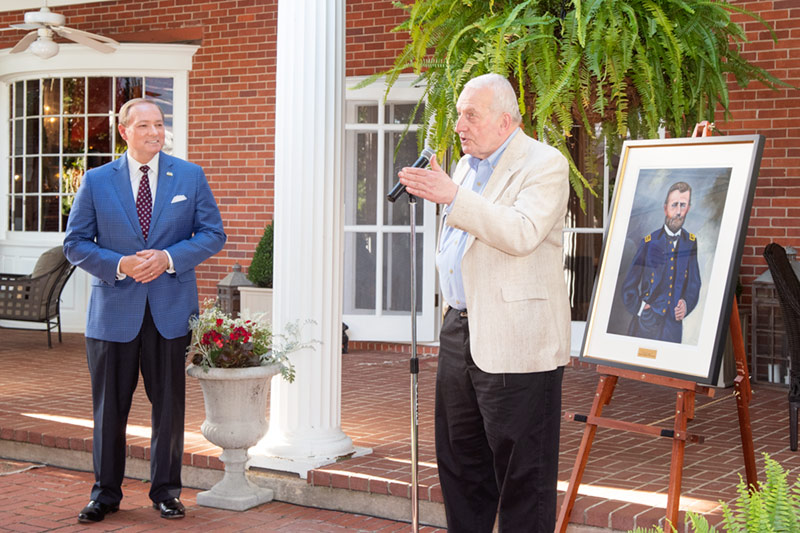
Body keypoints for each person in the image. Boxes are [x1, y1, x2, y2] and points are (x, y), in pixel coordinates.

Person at [397, 73, 571, 532]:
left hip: (517, 338)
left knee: (522, 477)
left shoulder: (544, 164)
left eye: (470, 114)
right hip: (459, 330)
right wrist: (453, 192)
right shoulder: (464, 167)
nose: (459, 125)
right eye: (458, 114)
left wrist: (453, 197)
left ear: (505, 120)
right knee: (461, 465)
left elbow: (522, 232)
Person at [64, 98, 226, 523]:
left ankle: (167, 492)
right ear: (124, 131)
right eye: (144, 126)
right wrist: (121, 264)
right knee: (109, 409)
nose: (155, 132)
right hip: (112, 313)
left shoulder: (189, 176)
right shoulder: (97, 181)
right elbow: (75, 243)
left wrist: (169, 258)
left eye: (159, 124)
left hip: (170, 311)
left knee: (169, 407)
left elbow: (213, 233)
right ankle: (105, 494)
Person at [621, 181, 701, 343]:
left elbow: (694, 283)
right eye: (674, 205)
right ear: (665, 208)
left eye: (683, 205)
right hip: (646, 324)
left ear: (688, 208)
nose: (678, 212)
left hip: (673, 328)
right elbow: (629, 284)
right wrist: (641, 308)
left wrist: (686, 304)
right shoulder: (649, 242)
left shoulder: (690, 242)